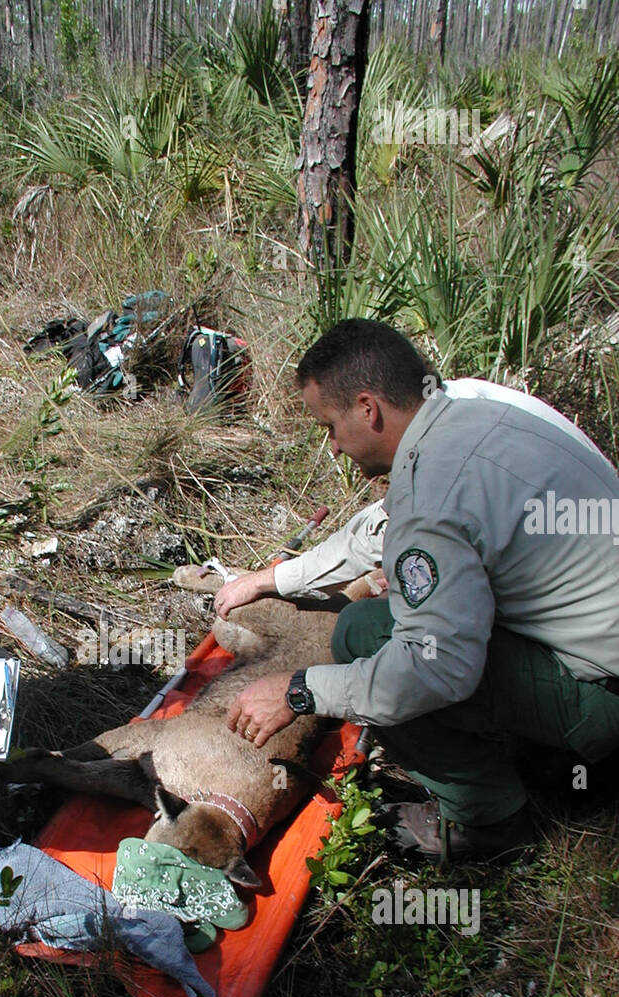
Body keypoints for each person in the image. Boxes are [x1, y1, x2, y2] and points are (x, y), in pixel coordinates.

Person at [221, 318, 619, 861]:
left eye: (329, 427)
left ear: (369, 408)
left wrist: (298, 689)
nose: (333, 448)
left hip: (607, 695)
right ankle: (556, 750)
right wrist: (273, 579)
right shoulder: (477, 407)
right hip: (601, 644)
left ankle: (487, 820)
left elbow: (434, 670)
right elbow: (380, 532)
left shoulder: (434, 490)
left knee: (364, 634)